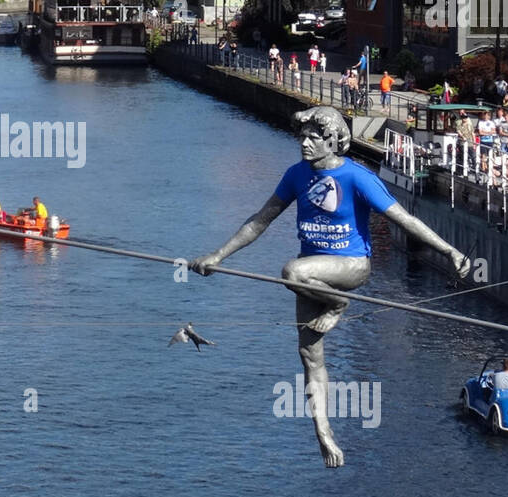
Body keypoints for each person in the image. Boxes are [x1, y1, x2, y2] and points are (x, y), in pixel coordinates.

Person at [191, 105, 470, 468]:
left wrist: (449, 251)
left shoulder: (358, 177)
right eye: (301, 137)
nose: (304, 144)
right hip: (314, 276)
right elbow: (259, 221)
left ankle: (338, 305)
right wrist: (218, 255)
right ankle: (324, 434)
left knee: (290, 271)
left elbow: (404, 219)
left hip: (350, 268)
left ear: (334, 141)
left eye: (313, 138)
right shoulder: (296, 175)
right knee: (309, 356)